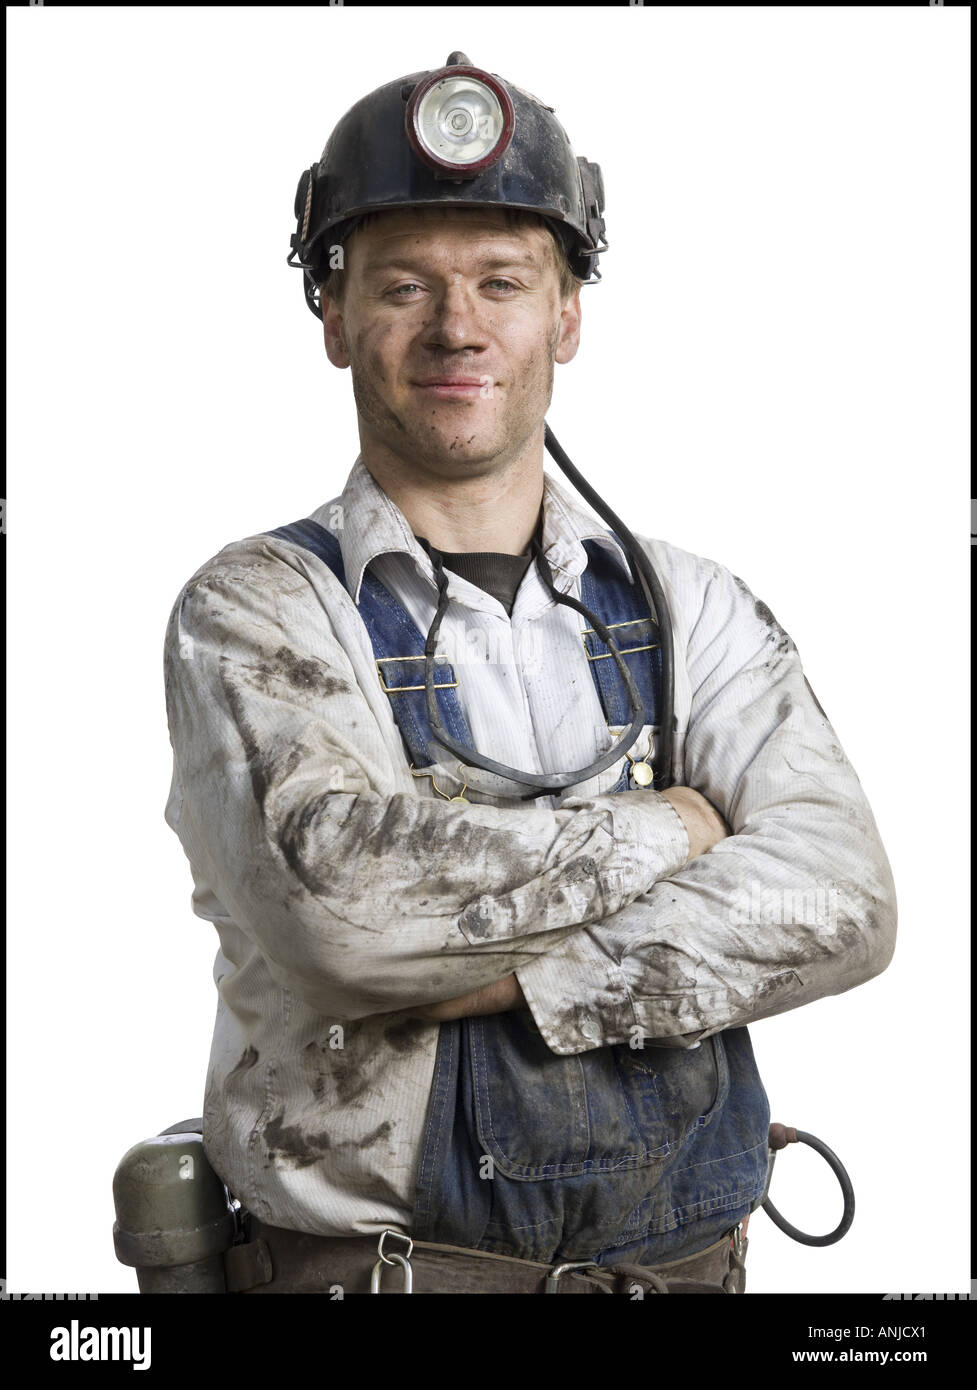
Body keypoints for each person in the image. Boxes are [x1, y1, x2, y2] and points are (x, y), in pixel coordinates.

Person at [162, 53, 897, 1295]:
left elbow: (843, 898)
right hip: (379, 1281)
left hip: (688, 1276)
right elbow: (342, 913)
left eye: (501, 282)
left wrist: (513, 974)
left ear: (565, 314)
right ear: (333, 316)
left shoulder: (690, 605)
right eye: (404, 286)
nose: (458, 328)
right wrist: (673, 826)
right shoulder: (256, 610)